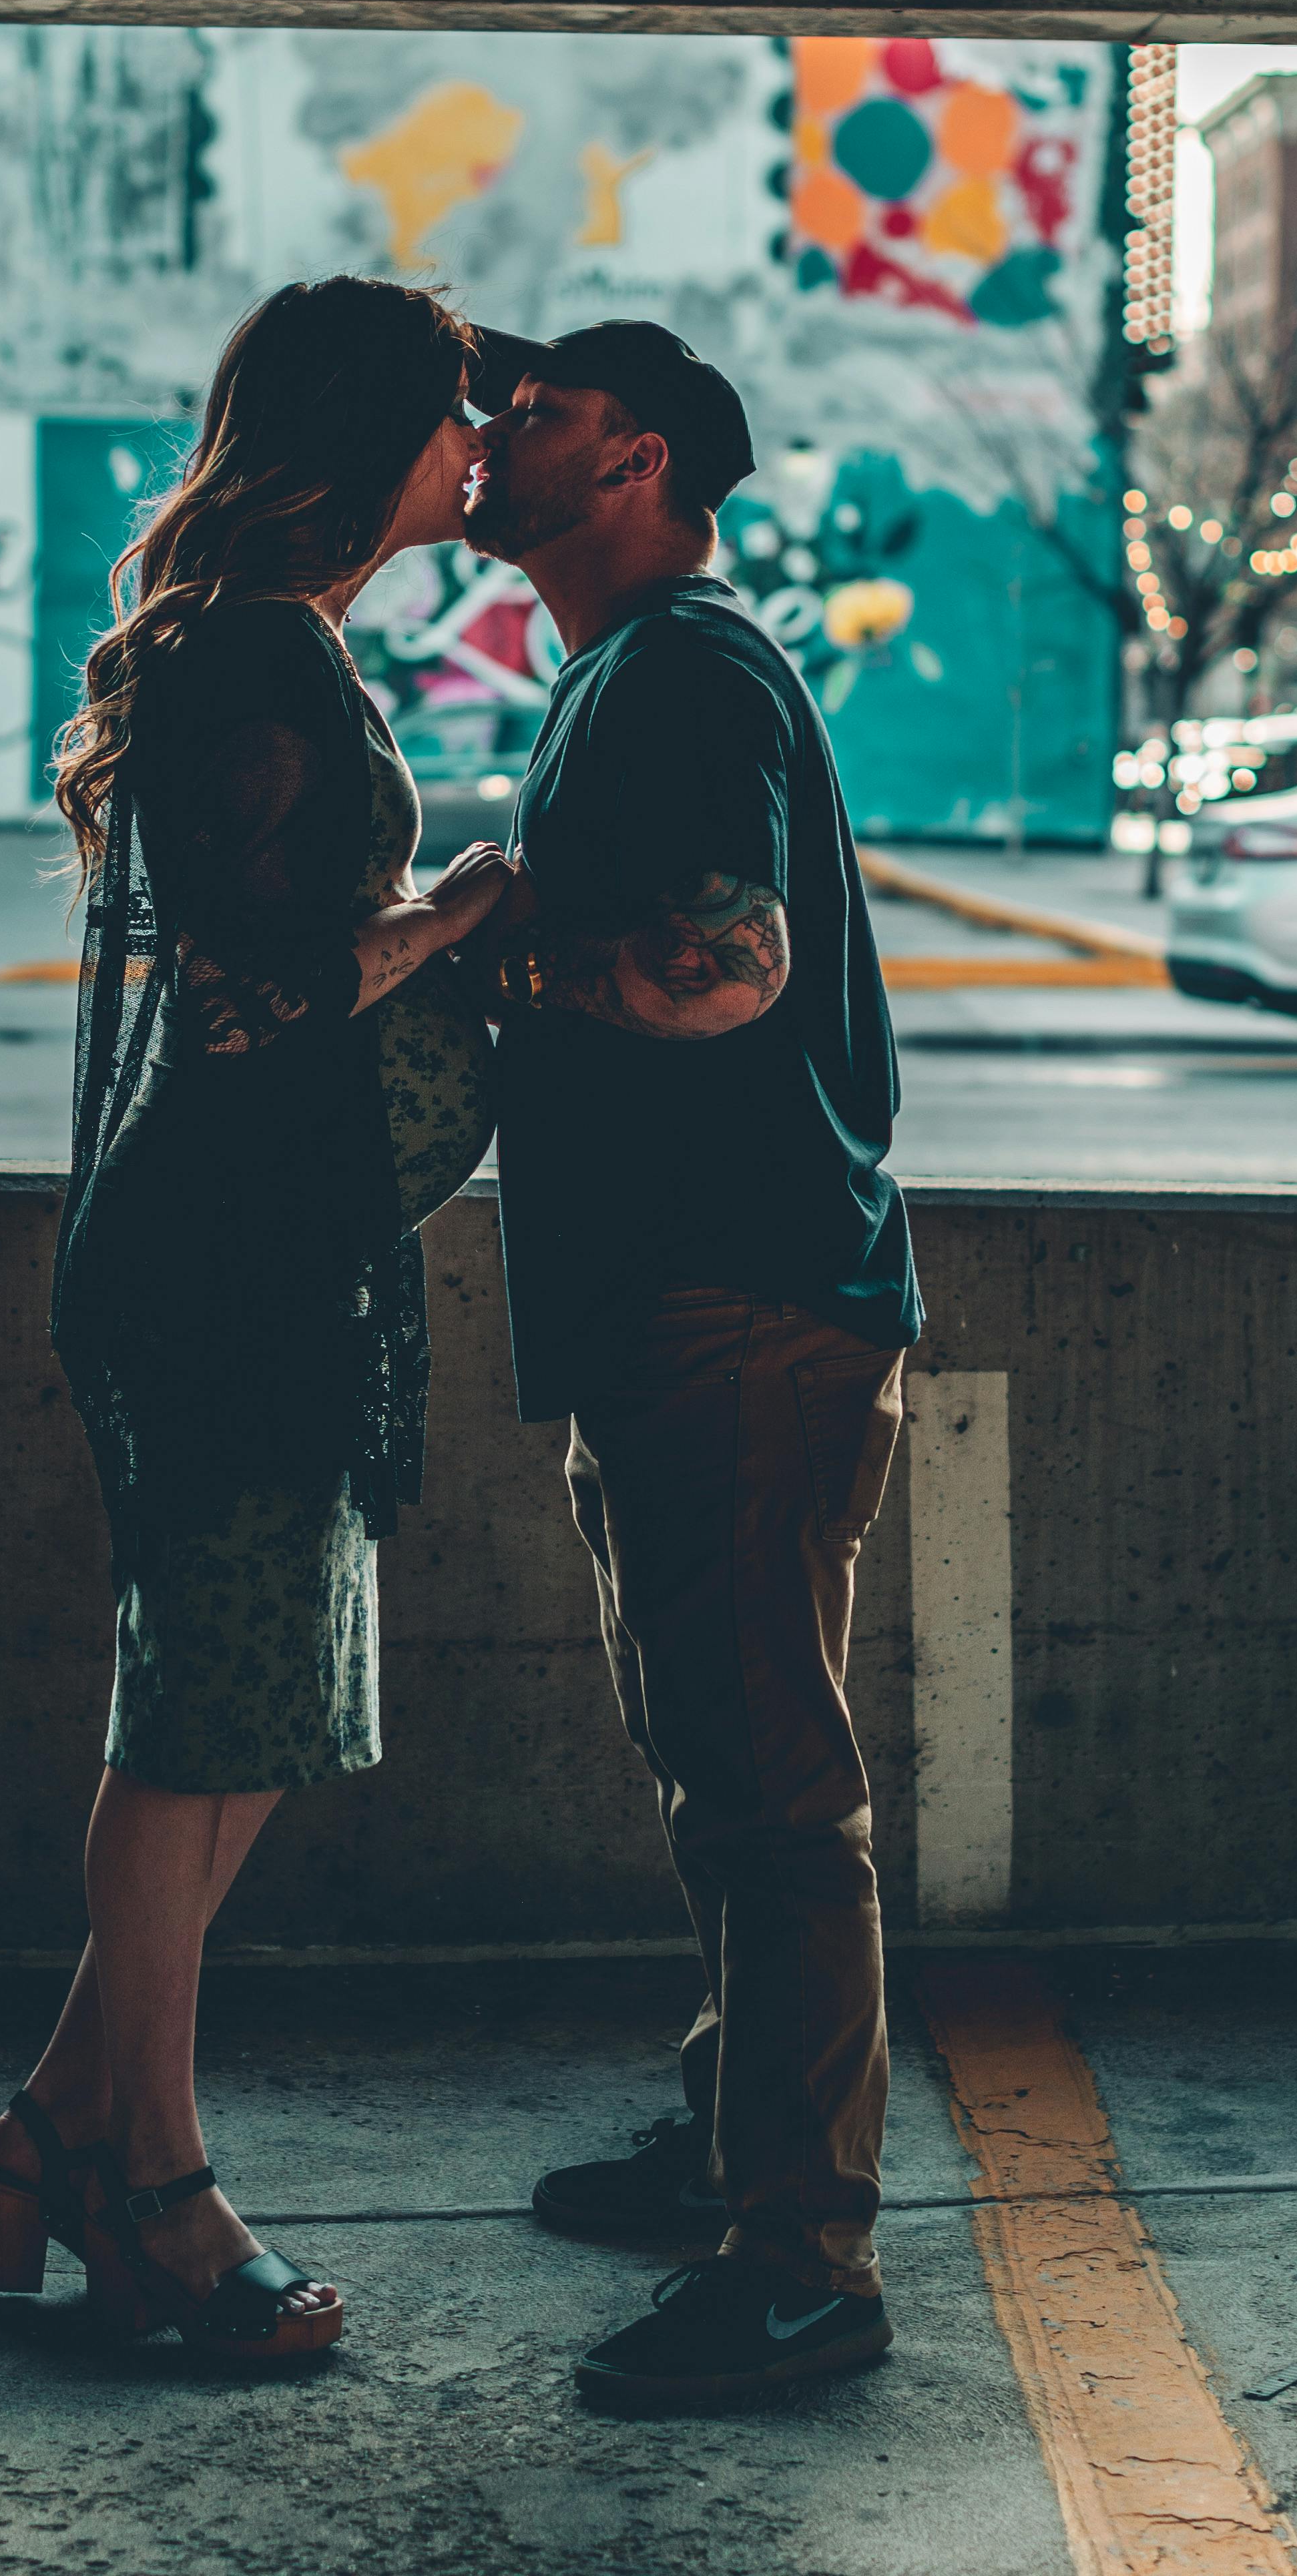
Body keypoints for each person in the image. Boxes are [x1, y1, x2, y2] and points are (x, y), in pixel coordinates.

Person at [0, 277, 513, 2366]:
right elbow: (244, 997)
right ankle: (150, 2189)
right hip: (222, 1267)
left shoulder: (262, 642)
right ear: (371, 429)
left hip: (238, 1255)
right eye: (456, 413)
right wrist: (458, 913)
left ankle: (50, 2130)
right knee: (199, 1728)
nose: (477, 448)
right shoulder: (265, 655)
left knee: (246, 1712)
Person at [460, 318, 923, 2415]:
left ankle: (803, 2260)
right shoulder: (634, 670)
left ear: (638, 457)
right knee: (716, 1762)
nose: (492, 436)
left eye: (535, 413)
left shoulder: (677, 673)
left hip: (737, 1310)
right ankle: (738, 2142)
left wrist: (504, 950)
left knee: (770, 1790)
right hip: (697, 1304)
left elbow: (732, 967)